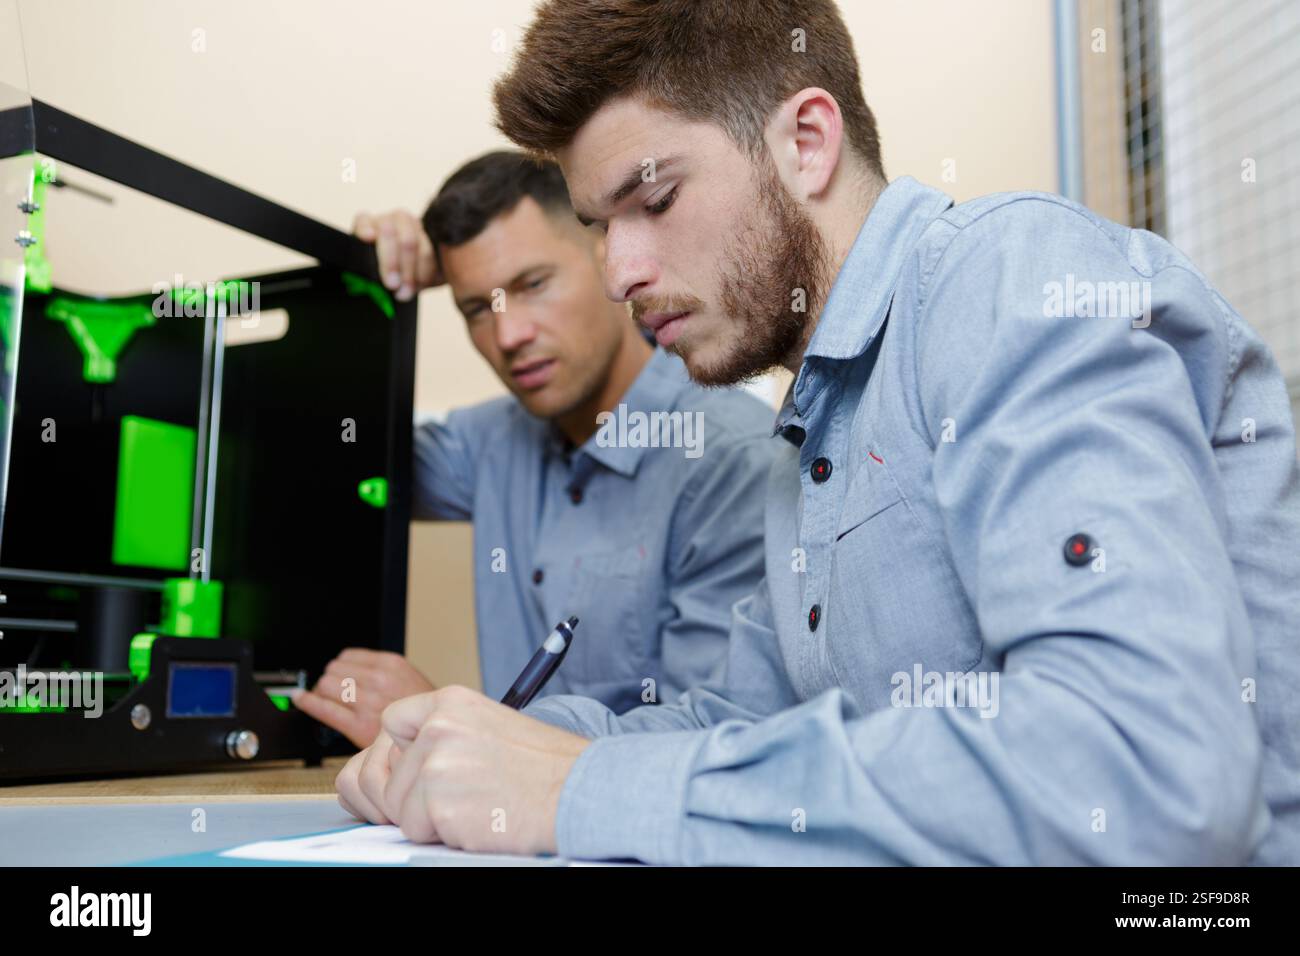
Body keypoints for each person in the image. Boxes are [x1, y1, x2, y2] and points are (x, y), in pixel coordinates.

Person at [336, 0, 1300, 865]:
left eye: (656, 199)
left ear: (806, 141)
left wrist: (571, 789)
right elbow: (742, 728)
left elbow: (1142, 770)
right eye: (598, 226)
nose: (621, 270)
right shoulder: (809, 432)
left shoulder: (1016, 280)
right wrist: (483, 744)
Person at [293, 151, 776, 748]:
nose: (508, 334)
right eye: (478, 307)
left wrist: (444, 726)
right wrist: (372, 282)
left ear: (610, 257)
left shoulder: (729, 457)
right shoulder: (485, 443)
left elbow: (711, 746)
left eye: (533, 285)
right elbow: (322, 450)